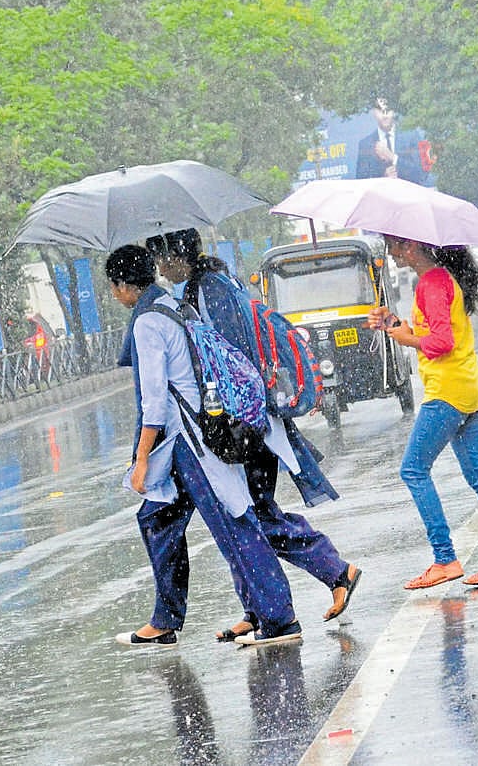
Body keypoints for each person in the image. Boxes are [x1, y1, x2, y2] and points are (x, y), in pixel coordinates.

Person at [146, 229, 361, 638]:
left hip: (247, 424)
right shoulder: (207, 285)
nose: (160, 267)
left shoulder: (210, 289)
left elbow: (233, 360)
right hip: (247, 421)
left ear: (176, 255)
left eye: (161, 257)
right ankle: (258, 607)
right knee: (241, 514)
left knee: (251, 515)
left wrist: (226, 419)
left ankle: (334, 570)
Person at [107, 244, 302, 647]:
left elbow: (154, 401)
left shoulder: (148, 321)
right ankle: (165, 619)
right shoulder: (172, 304)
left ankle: (280, 619)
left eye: (113, 286)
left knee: (235, 523)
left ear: (123, 285)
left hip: (192, 443)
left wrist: (140, 460)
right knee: (157, 520)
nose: (113, 294)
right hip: (190, 438)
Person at [367, 237, 478, 589]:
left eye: (394, 246)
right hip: (466, 388)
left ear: (411, 246)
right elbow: (432, 332)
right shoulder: (439, 279)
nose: (391, 253)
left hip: (447, 393)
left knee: (413, 470)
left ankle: (444, 559)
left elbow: (441, 343)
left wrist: (405, 339)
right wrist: (392, 322)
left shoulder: (433, 283)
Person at [355, 99, 426, 183]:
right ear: (374, 112)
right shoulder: (365, 144)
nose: (385, 116)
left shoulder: (411, 136)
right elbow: (361, 182)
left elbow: (421, 174)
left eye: (388, 110)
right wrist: (383, 176)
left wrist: (393, 157)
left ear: (394, 111)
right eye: (380, 111)